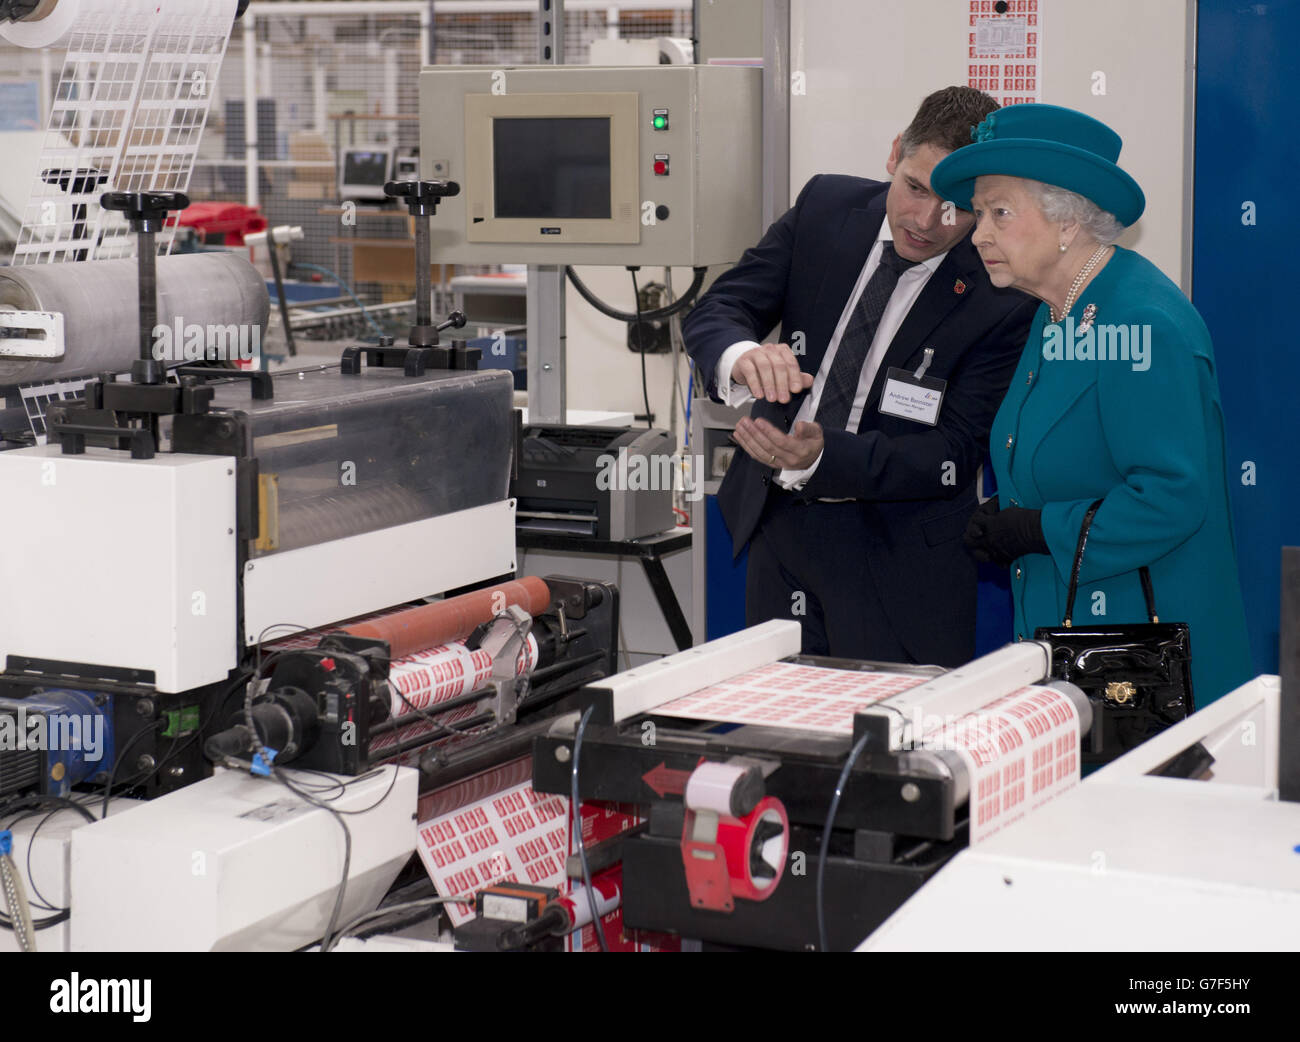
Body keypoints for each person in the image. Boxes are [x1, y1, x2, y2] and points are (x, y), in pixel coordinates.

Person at [684, 87, 1038, 666]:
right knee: (780, 734)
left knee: (889, 748)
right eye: (915, 187)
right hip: (779, 531)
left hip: (899, 561)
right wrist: (743, 355)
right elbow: (719, 309)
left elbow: (954, 452)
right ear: (896, 153)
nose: (925, 222)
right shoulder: (826, 209)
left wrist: (823, 460)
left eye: (953, 205)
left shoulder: (1002, 293)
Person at [931, 102, 1253, 703]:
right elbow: (1079, 454)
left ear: (1067, 221)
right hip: (1078, 642)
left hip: (1147, 662)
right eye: (979, 214)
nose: (979, 234)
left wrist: (1034, 528)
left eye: (1000, 213)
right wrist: (1011, 510)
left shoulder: (1144, 322)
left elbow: (1169, 497)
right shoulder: (1058, 312)